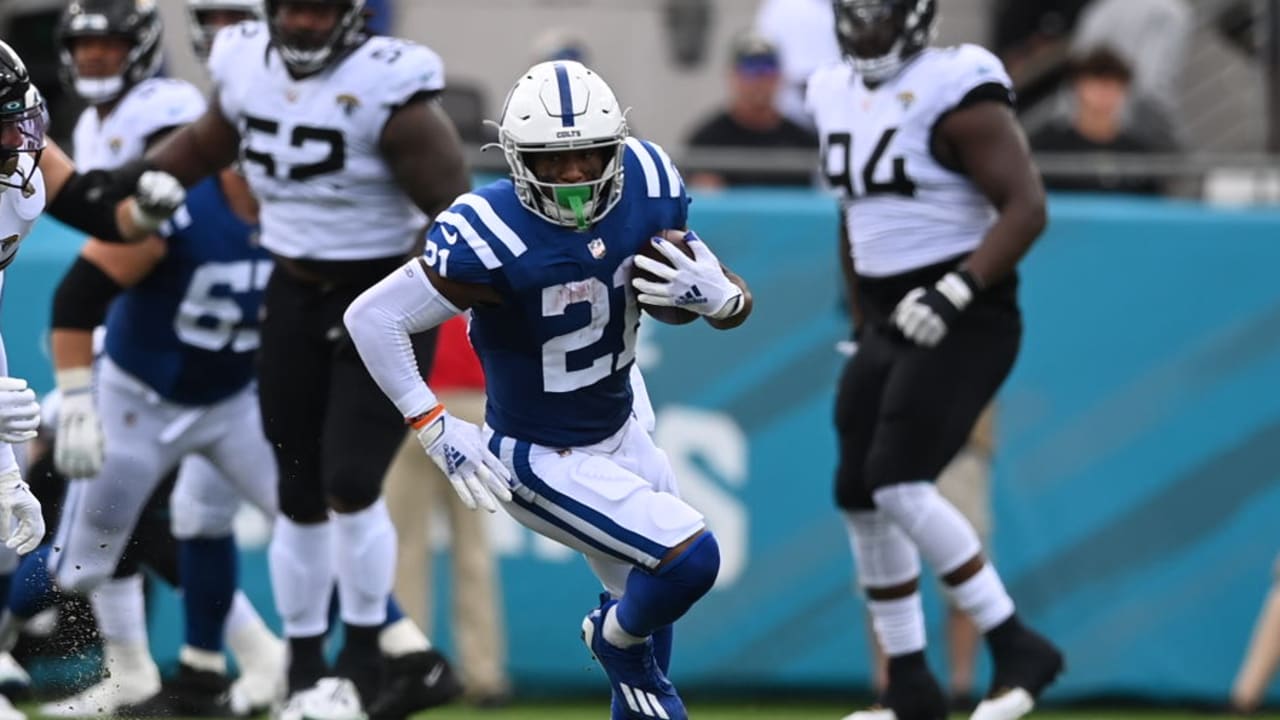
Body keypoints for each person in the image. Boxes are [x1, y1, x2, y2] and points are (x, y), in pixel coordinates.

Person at [343, 59, 753, 720]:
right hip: (540, 458)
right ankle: (615, 639)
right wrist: (431, 422)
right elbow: (373, 317)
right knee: (689, 561)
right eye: (550, 161)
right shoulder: (489, 230)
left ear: (614, 148)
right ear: (514, 158)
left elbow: (702, 292)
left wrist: (722, 300)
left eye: (587, 157)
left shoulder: (648, 182)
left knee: (651, 665)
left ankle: (622, 640)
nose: (572, 176)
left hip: (622, 429)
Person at [105, 0, 470, 715]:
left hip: (383, 300)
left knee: (351, 482)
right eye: (293, 9)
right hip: (294, 293)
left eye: (319, 10)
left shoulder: (394, 90)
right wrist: (129, 185)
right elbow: (205, 145)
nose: (303, 24)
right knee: (298, 497)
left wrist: (425, 300)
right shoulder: (244, 61)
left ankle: (365, 664)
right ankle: (304, 668)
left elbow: (455, 218)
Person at [806, 2, 1065, 719]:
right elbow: (855, 220)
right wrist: (862, 324)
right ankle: (910, 688)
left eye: (878, 13)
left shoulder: (958, 86)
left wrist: (956, 289)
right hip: (889, 318)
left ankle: (1017, 645)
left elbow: (1027, 206)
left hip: (968, 312)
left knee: (895, 480)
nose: (864, 28)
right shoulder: (830, 89)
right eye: (853, 12)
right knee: (857, 490)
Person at [382, 315, 511, 707]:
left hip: (414, 408)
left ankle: (407, 670)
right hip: (466, 405)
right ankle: (483, 675)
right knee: (471, 551)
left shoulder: (406, 265)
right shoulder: (484, 259)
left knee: (404, 551)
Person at [684, 32, 817, 188]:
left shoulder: (803, 142)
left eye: (768, 70)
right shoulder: (706, 142)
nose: (759, 80)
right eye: (750, 69)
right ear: (732, 76)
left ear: (780, 77)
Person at [1029, 47, 1168, 195]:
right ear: (1077, 86)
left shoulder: (1139, 151)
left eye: (1113, 85)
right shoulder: (1048, 144)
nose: (1104, 94)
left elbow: (1153, 204)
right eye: (1097, 84)